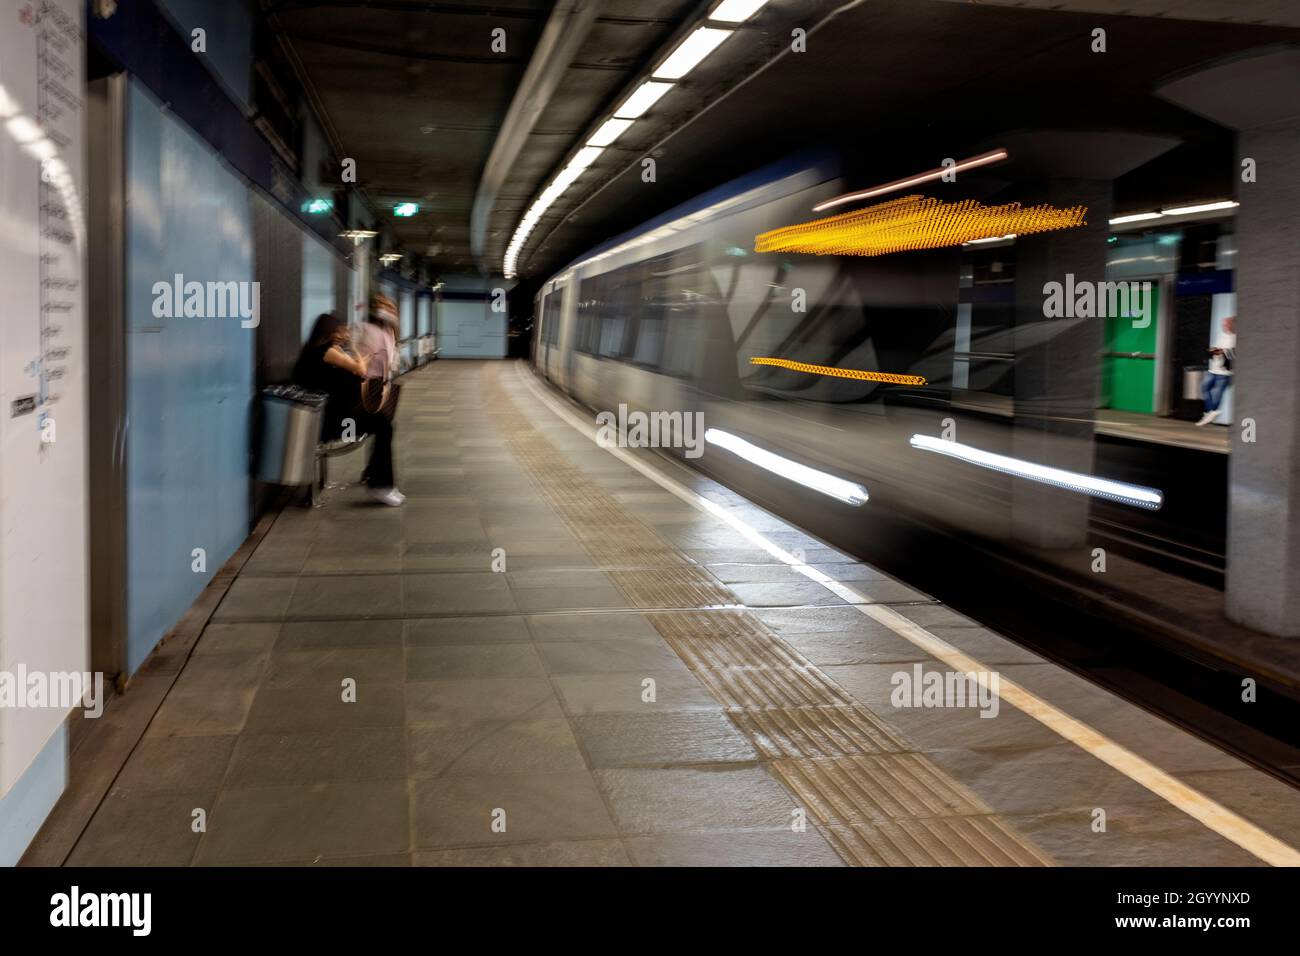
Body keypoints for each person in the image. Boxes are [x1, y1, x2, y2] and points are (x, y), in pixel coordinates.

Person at [293, 312, 404, 506]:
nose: (342, 335)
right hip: (337, 424)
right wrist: (353, 348)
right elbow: (361, 369)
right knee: (384, 426)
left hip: (328, 419)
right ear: (328, 332)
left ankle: (375, 477)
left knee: (383, 424)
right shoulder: (327, 351)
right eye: (338, 331)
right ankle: (380, 485)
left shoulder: (315, 351)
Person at [1197, 316, 1236, 426]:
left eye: (1226, 324)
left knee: (1217, 392)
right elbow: (1216, 349)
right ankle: (1212, 411)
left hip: (1225, 372)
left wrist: (1223, 351)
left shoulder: (1235, 338)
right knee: (1204, 387)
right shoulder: (1221, 336)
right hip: (1214, 368)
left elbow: (1232, 354)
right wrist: (1214, 350)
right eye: (1223, 324)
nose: (1224, 326)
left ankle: (1211, 411)